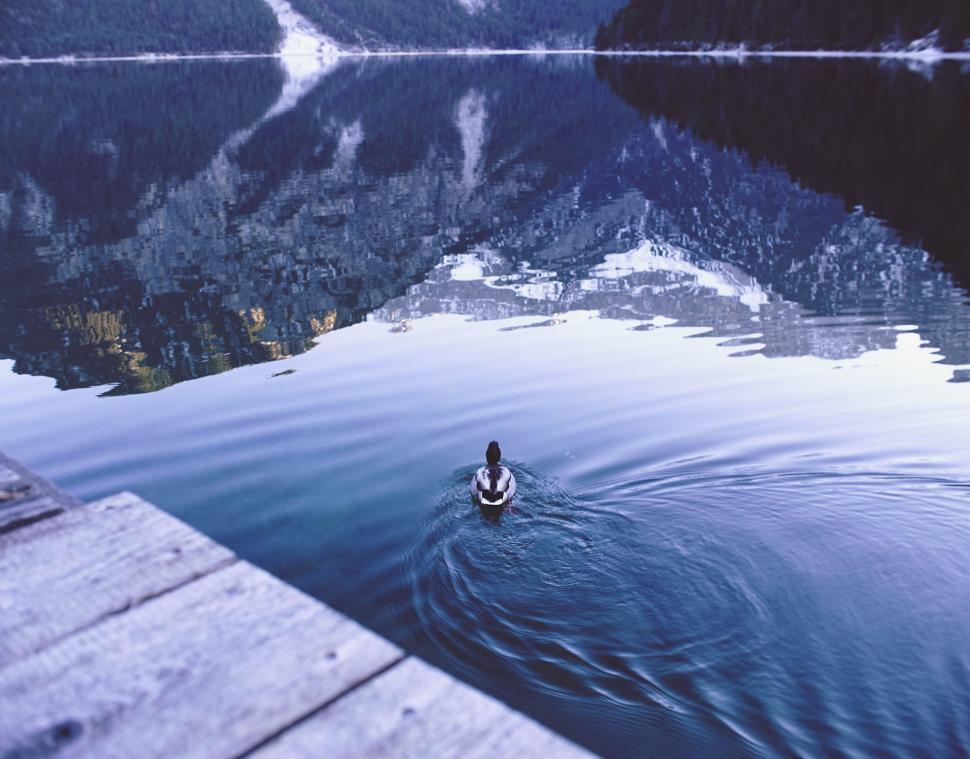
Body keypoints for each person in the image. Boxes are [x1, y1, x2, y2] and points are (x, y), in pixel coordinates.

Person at [471, 441, 517, 507]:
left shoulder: (480, 471)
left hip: (483, 496)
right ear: (499, 454)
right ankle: (509, 506)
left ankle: (479, 506)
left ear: (487, 454)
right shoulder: (506, 471)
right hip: (501, 496)